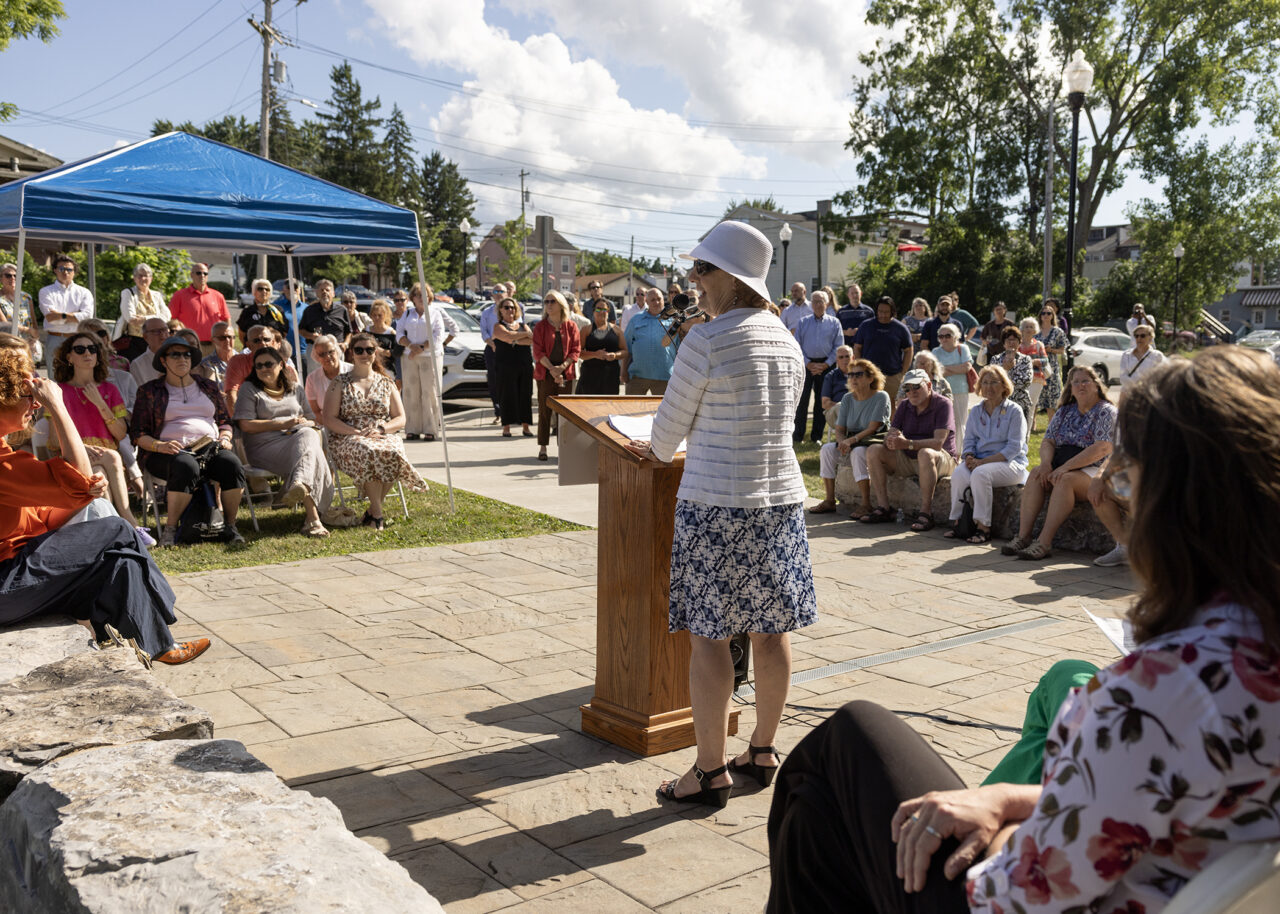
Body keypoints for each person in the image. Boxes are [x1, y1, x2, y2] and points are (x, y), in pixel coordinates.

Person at [765, 346, 1280, 914]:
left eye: (1127, 479)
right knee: (818, 815)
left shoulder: (1158, 695)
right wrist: (1015, 798)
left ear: (1173, 504)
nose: (1118, 494)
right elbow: (1143, 803)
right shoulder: (1251, 653)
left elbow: (1019, 892)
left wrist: (1001, 822)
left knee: (845, 742)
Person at [624, 220, 817, 809]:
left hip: (716, 505)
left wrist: (649, 445)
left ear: (733, 277)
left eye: (703, 269)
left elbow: (664, 439)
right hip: (778, 503)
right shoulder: (787, 340)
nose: (694, 279)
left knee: (709, 638)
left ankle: (709, 771)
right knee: (771, 632)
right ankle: (762, 750)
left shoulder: (706, 341)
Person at [0, 343, 209, 665]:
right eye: (29, 396)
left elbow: (41, 517)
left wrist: (84, 494)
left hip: (14, 576)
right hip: (6, 583)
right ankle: (163, 615)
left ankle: (158, 645)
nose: (36, 404)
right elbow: (80, 474)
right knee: (116, 529)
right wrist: (58, 406)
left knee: (119, 562)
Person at [130, 336, 247, 548]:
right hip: (166, 452)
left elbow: (225, 422)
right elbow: (138, 434)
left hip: (209, 448)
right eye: (175, 354)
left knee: (232, 464)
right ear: (163, 360)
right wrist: (160, 445)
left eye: (187, 354)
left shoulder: (208, 386)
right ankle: (170, 529)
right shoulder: (150, 391)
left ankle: (230, 526)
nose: (182, 358)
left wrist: (225, 437)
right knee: (186, 465)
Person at [1002, 365, 1117, 561]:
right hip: (1064, 464)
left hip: (1096, 470)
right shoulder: (1064, 411)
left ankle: (1044, 542)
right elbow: (1048, 441)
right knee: (1037, 473)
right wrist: (1046, 464)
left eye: (1085, 381)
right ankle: (1023, 536)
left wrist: (1065, 468)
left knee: (1065, 480)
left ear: (1096, 385)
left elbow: (1102, 448)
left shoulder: (1106, 411)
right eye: (1076, 382)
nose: (1081, 385)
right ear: (1070, 388)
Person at [321, 332, 427, 530]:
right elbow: (329, 418)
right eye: (359, 350)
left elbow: (401, 418)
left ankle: (372, 511)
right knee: (368, 451)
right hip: (346, 437)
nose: (364, 354)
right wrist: (355, 432)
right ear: (351, 353)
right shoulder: (339, 383)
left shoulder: (386, 382)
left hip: (380, 433)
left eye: (369, 350)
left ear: (375, 352)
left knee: (394, 451)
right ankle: (377, 515)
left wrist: (381, 428)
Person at [234, 346, 333, 538]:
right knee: (310, 448)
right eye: (258, 365)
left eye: (268, 364)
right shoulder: (249, 389)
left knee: (308, 436)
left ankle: (308, 507)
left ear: (281, 365)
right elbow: (245, 425)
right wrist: (282, 423)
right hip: (263, 447)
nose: (263, 368)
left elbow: (312, 419)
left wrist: (304, 423)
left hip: (297, 441)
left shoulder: (295, 389)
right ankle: (309, 509)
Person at [50, 332, 143, 531]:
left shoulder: (110, 390)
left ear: (98, 356)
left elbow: (120, 434)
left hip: (104, 459)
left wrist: (100, 403)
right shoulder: (59, 392)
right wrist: (81, 447)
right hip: (72, 457)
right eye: (80, 349)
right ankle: (128, 522)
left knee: (100, 471)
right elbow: (54, 440)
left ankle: (111, 528)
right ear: (69, 357)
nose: (87, 353)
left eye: (92, 349)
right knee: (110, 459)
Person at [860, 368, 957, 531]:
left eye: (916, 386)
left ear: (929, 385)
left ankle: (926, 513)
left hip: (941, 459)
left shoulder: (943, 404)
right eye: (907, 388)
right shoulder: (904, 405)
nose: (911, 392)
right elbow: (891, 432)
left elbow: (938, 443)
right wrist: (891, 440)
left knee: (925, 453)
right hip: (910, 457)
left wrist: (907, 444)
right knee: (873, 450)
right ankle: (884, 508)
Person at [944, 365, 1028, 545]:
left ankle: (984, 528)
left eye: (994, 382)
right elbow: (969, 440)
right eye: (985, 382)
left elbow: (1014, 448)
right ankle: (959, 522)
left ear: (1004, 386)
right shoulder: (976, 411)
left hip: (1010, 463)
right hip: (980, 462)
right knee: (959, 474)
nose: (989, 387)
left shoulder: (1014, 411)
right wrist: (968, 457)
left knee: (980, 474)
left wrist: (983, 462)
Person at [810, 359, 891, 516]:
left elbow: (873, 428)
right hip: (851, 441)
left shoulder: (881, 396)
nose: (853, 378)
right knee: (826, 449)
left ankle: (866, 504)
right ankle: (829, 500)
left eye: (858, 374)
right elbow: (840, 429)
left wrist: (851, 441)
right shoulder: (847, 398)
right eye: (851, 375)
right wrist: (842, 442)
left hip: (873, 442)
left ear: (870, 378)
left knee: (858, 452)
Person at [396, 282, 454, 442]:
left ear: (430, 297)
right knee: (410, 393)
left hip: (430, 357)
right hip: (409, 357)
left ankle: (430, 429)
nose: (421, 298)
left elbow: (438, 335)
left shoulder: (435, 313)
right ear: (413, 298)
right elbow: (399, 333)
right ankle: (412, 429)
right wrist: (410, 346)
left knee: (430, 393)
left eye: (425, 295)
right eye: (418, 295)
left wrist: (420, 348)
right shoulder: (407, 314)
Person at [532, 290, 581, 462]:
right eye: (546, 301)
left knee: (565, 414)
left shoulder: (571, 326)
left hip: (566, 374)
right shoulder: (540, 326)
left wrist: (562, 368)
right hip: (545, 374)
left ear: (561, 304)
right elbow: (538, 352)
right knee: (545, 412)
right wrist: (553, 369)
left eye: (552, 301)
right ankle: (543, 447)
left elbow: (575, 350)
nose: (548, 305)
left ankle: (564, 448)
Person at [793, 290, 843, 442]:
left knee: (822, 402)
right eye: (814, 301)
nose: (817, 304)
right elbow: (797, 345)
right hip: (806, 365)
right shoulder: (803, 322)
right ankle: (798, 436)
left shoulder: (834, 322)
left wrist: (825, 364)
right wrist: (808, 363)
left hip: (826, 365)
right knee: (802, 401)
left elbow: (838, 346)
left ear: (826, 303)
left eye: (820, 301)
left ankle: (816, 437)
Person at [38, 254, 94, 372]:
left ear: (74, 272)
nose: (65, 272)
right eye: (61, 268)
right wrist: (76, 316)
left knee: (78, 374)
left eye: (69, 269)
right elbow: (50, 318)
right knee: (55, 375)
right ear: (55, 270)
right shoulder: (45, 292)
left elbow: (87, 317)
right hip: (55, 339)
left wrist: (61, 315)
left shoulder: (84, 292)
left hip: (78, 339)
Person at [852, 296, 913, 400]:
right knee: (868, 404)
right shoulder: (866, 326)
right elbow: (857, 347)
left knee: (892, 405)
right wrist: (860, 368)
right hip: (868, 376)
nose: (883, 315)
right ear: (876, 311)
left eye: (886, 312)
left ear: (892, 311)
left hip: (892, 376)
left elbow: (909, 350)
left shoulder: (900, 328)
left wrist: (903, 372)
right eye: (880, 311)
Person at [225, 326, 297, 414]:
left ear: (273, 343)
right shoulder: (238, 362)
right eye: (257, 341)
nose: (263, 343)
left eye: (266, 340)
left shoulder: (283, 366)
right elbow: (231, 395)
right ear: (248, 345)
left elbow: (294, 398)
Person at [623, 287, 676, 396]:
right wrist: (623, 371)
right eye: (652, 300)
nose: (656, 302)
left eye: (659, 299)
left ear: (664, 300)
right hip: (638, 376)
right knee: (632, 406)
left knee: (663, 407)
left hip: (665, 377)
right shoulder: (635, 320)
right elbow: (626, 348)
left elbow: (680, 349)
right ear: (646, 301)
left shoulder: (673, 320)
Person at [167, 263, 229, 357]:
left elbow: (226, 319)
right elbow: (172, 321)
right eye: (198, 273)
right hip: (189, 345)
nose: (202, 276)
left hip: (214, 346)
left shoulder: (218, 296)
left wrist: (226, 339)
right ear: (191, 275)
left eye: (205, 273)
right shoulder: (179, 295)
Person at [112, 263, 170, 362]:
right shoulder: (128, 293)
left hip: (155, 341)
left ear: (151, 278)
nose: (143, 278)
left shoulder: (157, 295)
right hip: (134, 342)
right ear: (134, 278)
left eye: (146, 275)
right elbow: (131, 319)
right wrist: (156, 318)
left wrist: (144, 319)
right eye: (140, 275)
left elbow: (167, 316)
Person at [576, 294, 626, 396]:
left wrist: (615, 355)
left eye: (604, 309)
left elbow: (625, 351)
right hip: (589, 376)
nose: (601, 312)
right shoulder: (586, 330)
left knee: (608, 404)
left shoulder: (617, 330)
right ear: (593, 311)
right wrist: (595, 354)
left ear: (608, 311)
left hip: (610, 376)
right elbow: (578, 353)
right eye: (598, 309)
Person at [932, 324, 972, 447]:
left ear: (955, 336)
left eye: (947, 336)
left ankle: (959, 451)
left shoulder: (963, 349)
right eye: (941, 336)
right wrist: (956, 368)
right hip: (941, 393)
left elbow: (966, 367)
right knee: (942, 423)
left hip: (960, 391)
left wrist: (945, 369)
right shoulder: (935, 351)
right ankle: (944, 449)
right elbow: (935, 371)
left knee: (960, 423)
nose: (944, 339)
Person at [989, 326, 1034, 427]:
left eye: (1015, 340)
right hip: (999, 404)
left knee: (1020, 434)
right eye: (1008, 340)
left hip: (1021, 403)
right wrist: (1005, 369)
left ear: (1019, 342)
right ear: (1004, 343)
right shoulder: (995, 359)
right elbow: (992, 381)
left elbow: (1026, 381)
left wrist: (1006, 375)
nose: (1011, 342)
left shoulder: (1025, 360)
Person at [300, 280, 351, 365]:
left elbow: (349, 332)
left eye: (327, 290)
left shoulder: (342, 310)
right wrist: (311, 336)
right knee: (315, 374)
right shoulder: (309, 310)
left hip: (336, 349)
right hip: (316, 351)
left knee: (338, 373)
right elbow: (301, 330)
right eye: (321, 290)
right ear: (317, 294)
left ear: (333, 293)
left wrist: (345, 344)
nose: (324, 292)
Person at [304, 334, 351, 421]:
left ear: (337, 351)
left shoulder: (352, 371)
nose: (327, 357)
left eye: (331, 352)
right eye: (322, 354)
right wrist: (332, 425)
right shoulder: (312, 379)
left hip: (353, 422)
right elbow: (315, 412)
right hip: (325, 423)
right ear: (317, 358)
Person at [1, 263, 40, 361]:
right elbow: (5, 324)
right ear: (1, 278)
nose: (13, 278)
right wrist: (28, 330)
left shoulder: (26, 297)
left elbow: (34, 323)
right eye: (8, 275)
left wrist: (35, 338)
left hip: (28, 345)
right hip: (8, 344)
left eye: (16, 275)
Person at [1034, 302, 1068, 413]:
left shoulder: (1058, 332)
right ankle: (1032, 421)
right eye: (1043, 313)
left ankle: (1051, 421)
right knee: (1035, 396)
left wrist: (1051, 350)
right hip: (1037, 366)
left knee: (1051, 399)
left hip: (1051, 367)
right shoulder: (1035, 331)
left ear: (1053, 315)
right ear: (1040, 316)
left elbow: (1062, 350)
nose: (1046, 315)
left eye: (1049, 313)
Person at [235, 278, 286, 347]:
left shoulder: (278, 311)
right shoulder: (247, 312)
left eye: (267, 289)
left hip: (273, 350)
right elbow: (242, 334)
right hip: (253, 349)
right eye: (260, 289)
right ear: (254, 292)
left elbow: (284, 332)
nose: (264, 291)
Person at [1017, 317, 1048, 429]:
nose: (1029, 329)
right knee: (1019, 407)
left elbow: (1045, 360)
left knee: (1030, 407)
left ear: (1035, 330)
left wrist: (1035, 361)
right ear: (1022, 329)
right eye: (1026, 327)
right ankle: (1018, 432)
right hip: (1020, 379)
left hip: (1036, 380)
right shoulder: (1017, 345)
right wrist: (1028, 362)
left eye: (1031, 327)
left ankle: (1027, 434)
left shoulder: (1039, 345)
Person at [367, 299, 402, 383]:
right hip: (369, 369)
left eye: (380, 315)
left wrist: (383, 351)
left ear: (385, 316)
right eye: (374, 315)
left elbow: (397, 353)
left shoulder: (392, 333)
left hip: (387, 371)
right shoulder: (366, 331)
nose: (376, 318)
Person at [129, 316, 172, 386]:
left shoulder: (179, 357)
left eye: (165, 330)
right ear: (145, 337)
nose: (163, 335)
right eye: (156, 331)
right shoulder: (137, 365)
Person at [819, 346, 854, 430]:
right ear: (837, 360)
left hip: (858, 410)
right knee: (840, 406)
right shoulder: (830, 377)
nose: (844, 359)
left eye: (847, 356)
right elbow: (825, 404)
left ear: (853, 358)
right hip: (835, 412)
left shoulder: (860, 374)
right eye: (841, 357)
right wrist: (845, 407)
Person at [194, 321, 236, 387]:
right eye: (222, 338)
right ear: (213, 340)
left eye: (230, 337)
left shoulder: (243, 360)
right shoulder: (205, 365)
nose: (227, 340)